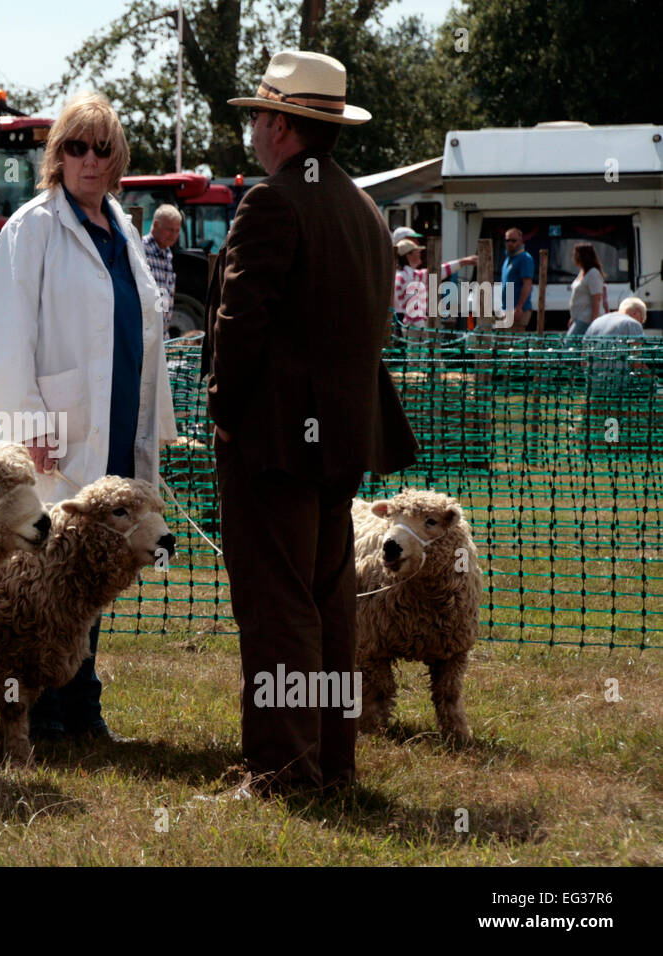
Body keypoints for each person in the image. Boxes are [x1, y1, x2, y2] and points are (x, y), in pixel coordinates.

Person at [209, 50, 419, 795]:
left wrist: (224, 415)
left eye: (259, 116)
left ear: (281, 125)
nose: (256, 131)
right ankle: (332, 762)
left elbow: (241, 323)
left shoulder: (273, 201)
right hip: (341, 441)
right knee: (327, 605)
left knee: (278, 606)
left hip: (273, 440)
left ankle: (283, 769)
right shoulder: (360, 207)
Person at [0, 91, 177, 745]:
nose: (89, 160)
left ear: (117, 161)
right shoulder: (32, 228)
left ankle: (82, 706)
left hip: (116, 430)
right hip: (55, 439)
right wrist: (30, 426)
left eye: (102, 148)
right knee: (46, 581)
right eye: (75, 147)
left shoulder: (123, 229)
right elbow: (3, 338)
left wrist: (155, 431)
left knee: (92, 576)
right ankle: (39, 711)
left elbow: (145, 339)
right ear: (55, 155)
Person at [392, 238, 476, 338]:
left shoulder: (410, 275)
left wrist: (463, 262)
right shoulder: (405, 277)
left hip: (414, 325)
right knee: (417, 352)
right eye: (417, 252)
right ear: (408, 255)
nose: (420, 254)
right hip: (415, 327)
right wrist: (422, 326)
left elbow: (440, 271)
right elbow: (412, 308)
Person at [143, 204, 182, 338]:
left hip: (160, 334)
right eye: (170, 230)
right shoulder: (141, 251)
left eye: (177, 231)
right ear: (155, 225)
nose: (174, 235)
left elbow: (164, 296)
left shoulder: (168, 255)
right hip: (144, 333)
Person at [565, 243, 609, 338]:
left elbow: (596, 299)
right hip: (579, 317)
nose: (573, 257)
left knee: (570, 343)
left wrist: (594, 323)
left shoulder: (593, 273)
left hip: (587, 319)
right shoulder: (583, 272)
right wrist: (573, 317)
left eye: (576, 254)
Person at [500, 228, 535, 331]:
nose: (510, 243)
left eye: (513, 240)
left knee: (513, 344)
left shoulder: (525, 258)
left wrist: (519, 307)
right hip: (505, 309)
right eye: (507, 240)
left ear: (520, 241)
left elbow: (527, 284)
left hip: (518, 310)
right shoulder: (507, 259)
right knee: (502, 344)